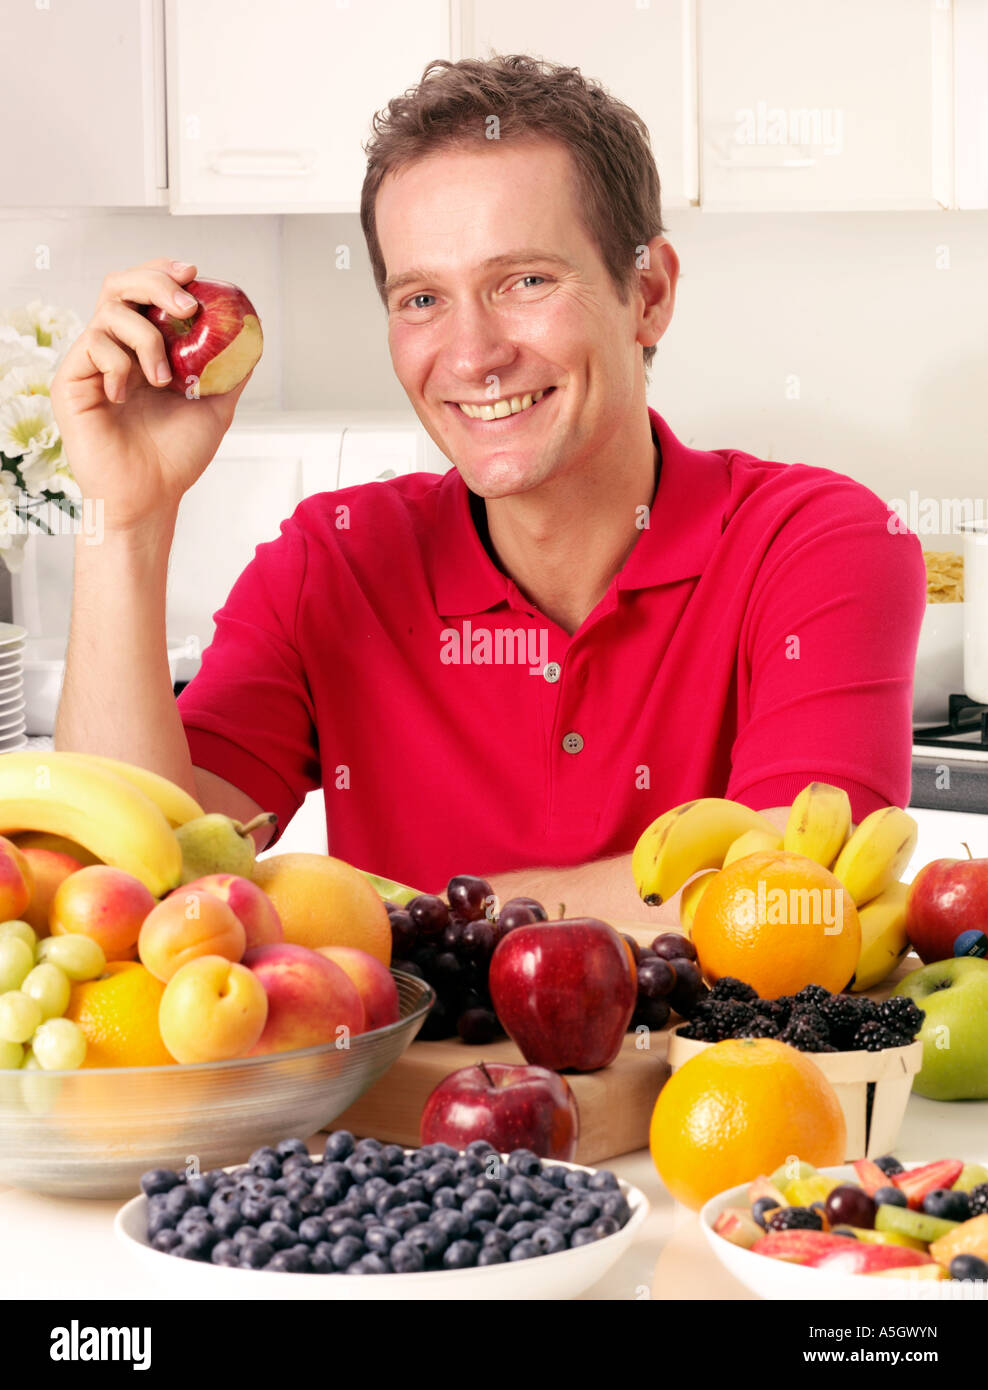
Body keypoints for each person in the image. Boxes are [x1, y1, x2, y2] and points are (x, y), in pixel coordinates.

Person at [51, 55, 926, 926]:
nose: (472, 355)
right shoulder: (334, 562)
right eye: (423, 298)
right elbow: (127, 888)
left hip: (716, 1072)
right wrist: (126, 516)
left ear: (648, 294)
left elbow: (795, 898)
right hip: (408, 1074)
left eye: (526, 282)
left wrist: (391, 924)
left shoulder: (817, 543)